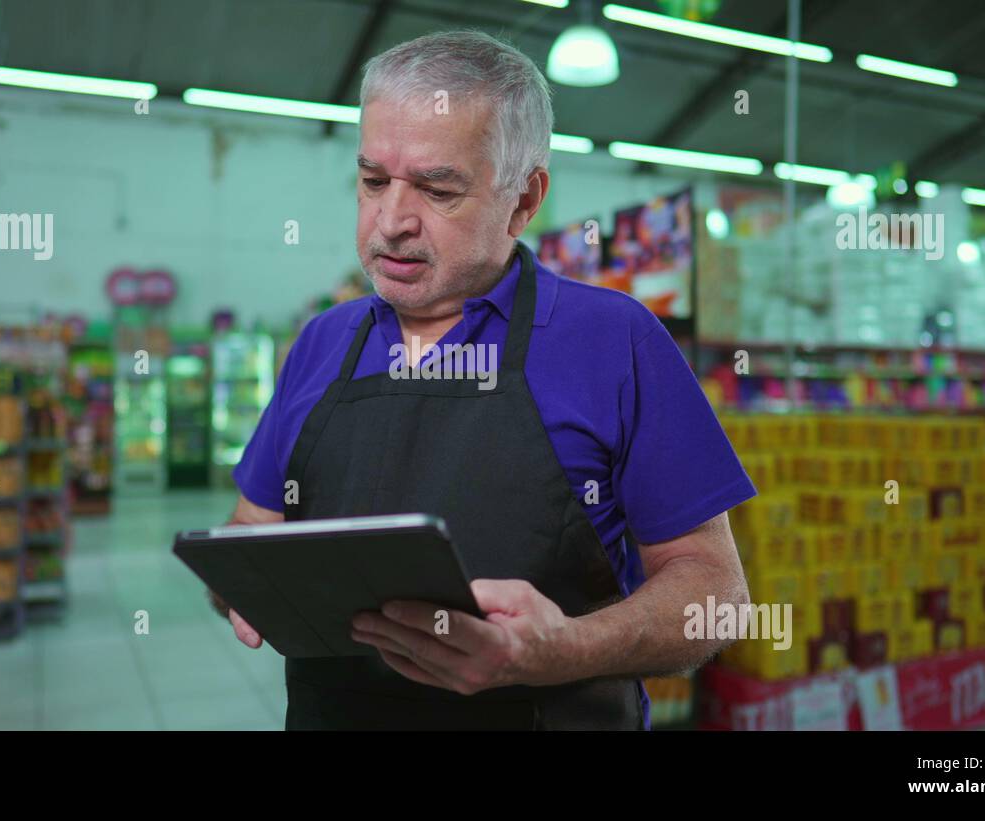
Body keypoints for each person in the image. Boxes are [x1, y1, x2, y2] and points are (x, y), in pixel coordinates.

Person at [211, 30, 755, 730]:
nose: (391, 220)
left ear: (524, 200)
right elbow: (250, 528)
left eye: (438, 189)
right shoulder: (322, 343)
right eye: (373, 180)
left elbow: (715, 592)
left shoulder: (614, 340)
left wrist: (564, 648)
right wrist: (244, 586)